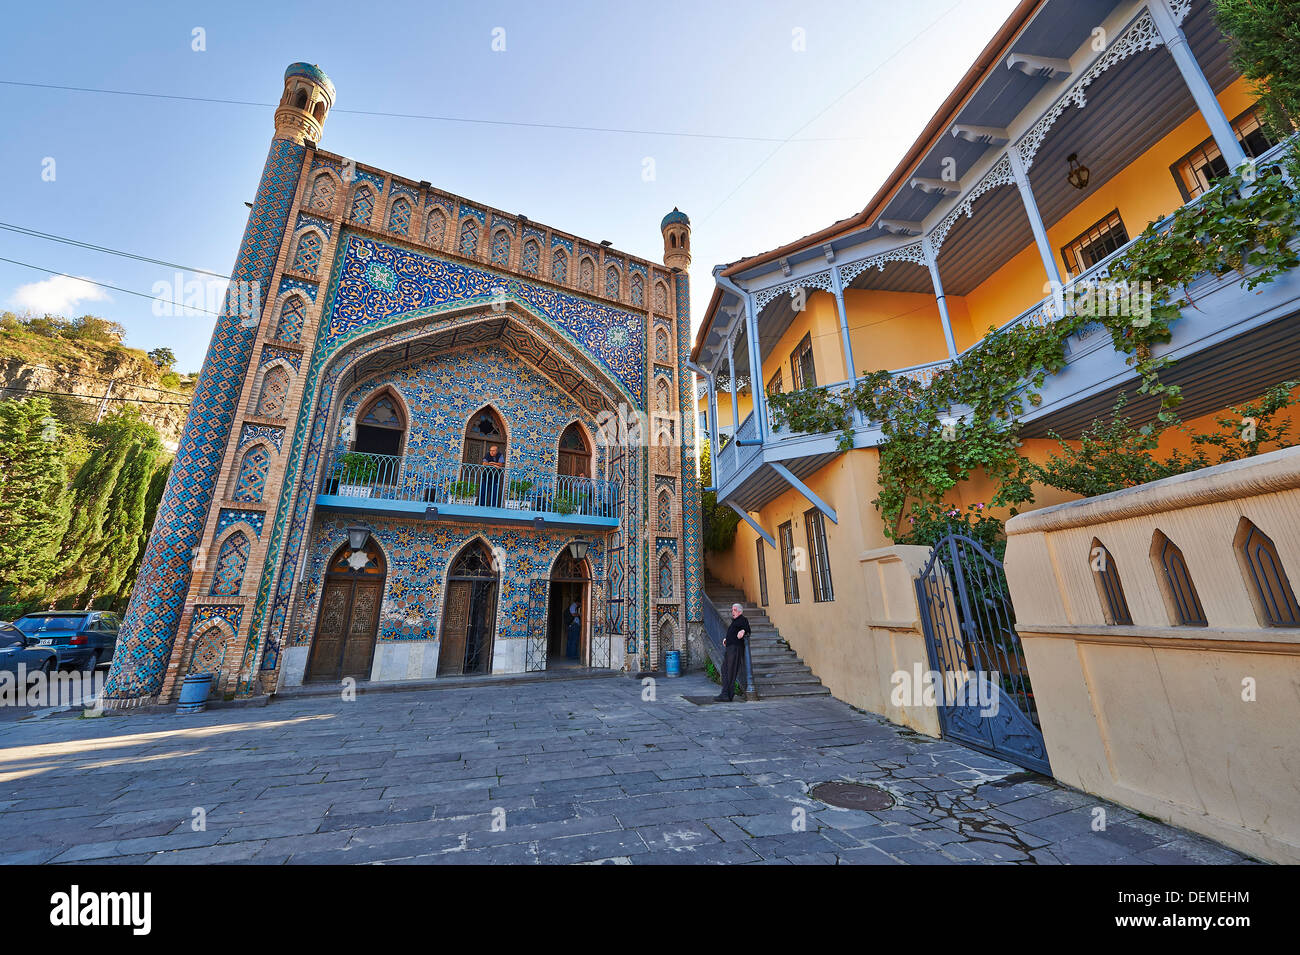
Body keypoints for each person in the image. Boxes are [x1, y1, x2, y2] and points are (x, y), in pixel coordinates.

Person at [715, 602, 749, 702]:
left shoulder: (742, 619)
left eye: (734, 610)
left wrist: (743, 631)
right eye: (732, 610)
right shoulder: (735, 621)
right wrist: (727, 639)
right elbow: (733, 633)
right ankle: (727, 694)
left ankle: (726, 694)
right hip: (730, 647)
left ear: (740, 612)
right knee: (725, 669)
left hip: (735, 649)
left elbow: (747, 628)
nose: (732, 612)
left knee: (730, 671)